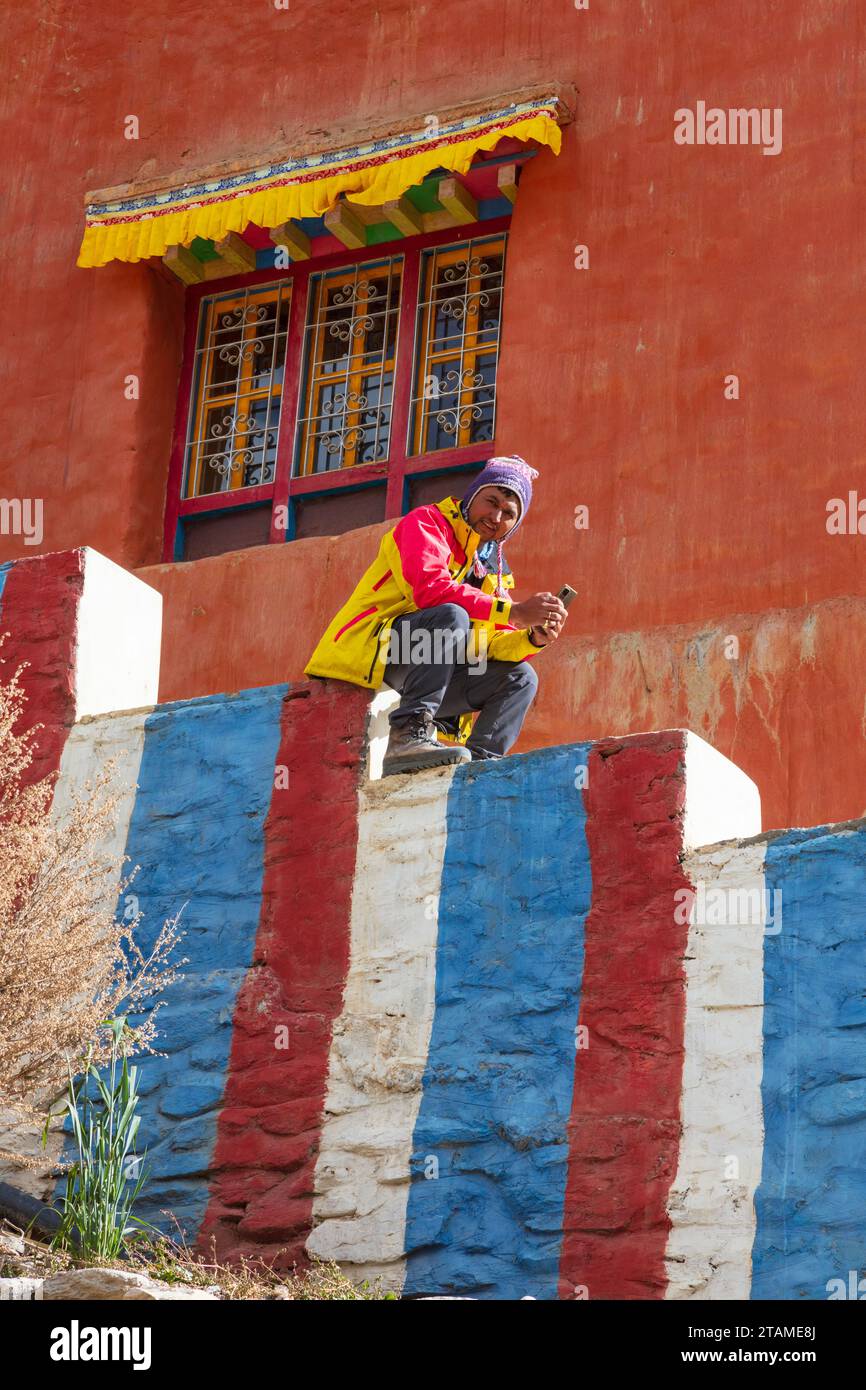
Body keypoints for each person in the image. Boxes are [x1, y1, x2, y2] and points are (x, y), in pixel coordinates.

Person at [303, 455, 568, 775]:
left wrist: (532, 636)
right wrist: (513, 611)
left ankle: (481, 767)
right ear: (472, 496)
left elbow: (490, 642)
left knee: (521, 677)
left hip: (428, 670)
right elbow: (430, 590)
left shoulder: (494, 569)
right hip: (374, 651)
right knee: (450, 616)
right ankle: (407, 736)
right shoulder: (427, 523)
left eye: (509, 513)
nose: (496, 516)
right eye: (491, 501)